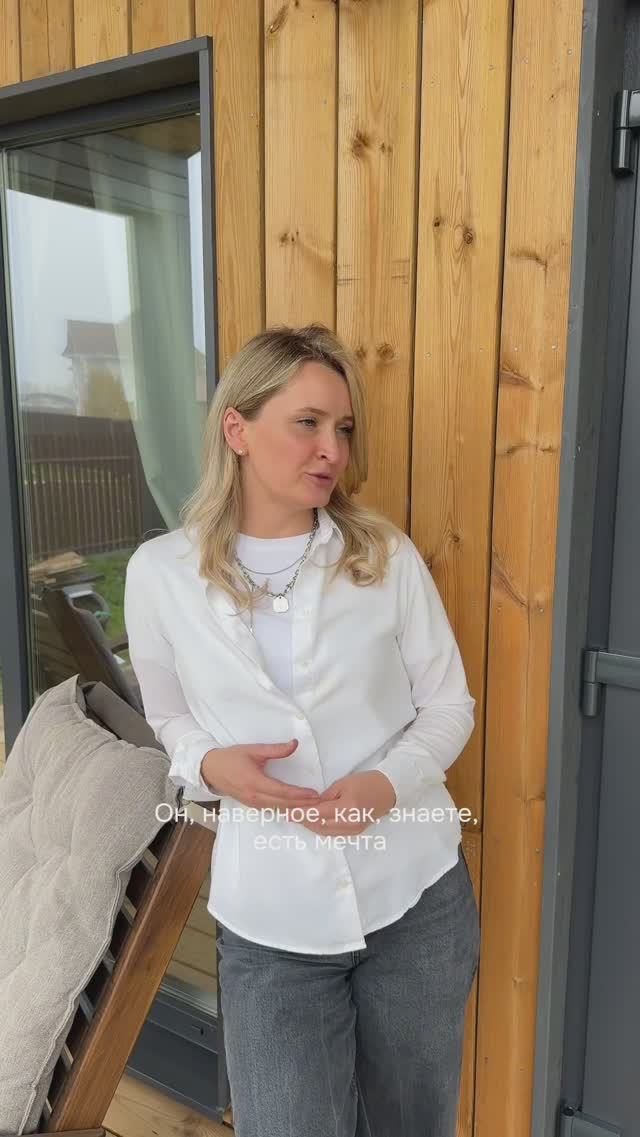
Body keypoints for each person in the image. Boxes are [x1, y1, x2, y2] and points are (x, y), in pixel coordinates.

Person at [124, 323, 480, 1137]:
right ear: (238, 429)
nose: (332, 450)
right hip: (272, 925)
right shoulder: (160, 575)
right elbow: (168, 716)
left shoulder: (384, 556)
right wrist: (210, 765)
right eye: (308, 423)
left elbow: (449, 704)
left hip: (415, 905)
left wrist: (384, 784)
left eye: (343, 428)